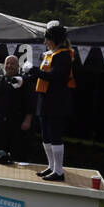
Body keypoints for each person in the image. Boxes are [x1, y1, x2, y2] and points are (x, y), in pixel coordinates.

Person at [34, 22, 75, 182]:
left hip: (57, 101)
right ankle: (51, 166)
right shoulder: (50, 54)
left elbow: (56, 77)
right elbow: (44, 75)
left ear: (55, 40)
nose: (45, 43)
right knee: (46, 135)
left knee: (55, 134)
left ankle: (59, 170)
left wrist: (35, 71)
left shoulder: (64, 55)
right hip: (46, 99)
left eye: (47, 39)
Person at [0, 54, 34, 161]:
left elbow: (30, 103)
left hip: (17, 123)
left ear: (17, 66)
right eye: (7, 63)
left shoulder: (24, 82)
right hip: (0, 123)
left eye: (12, 63)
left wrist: (27, 120)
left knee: (17, 154)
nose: (9, 65)